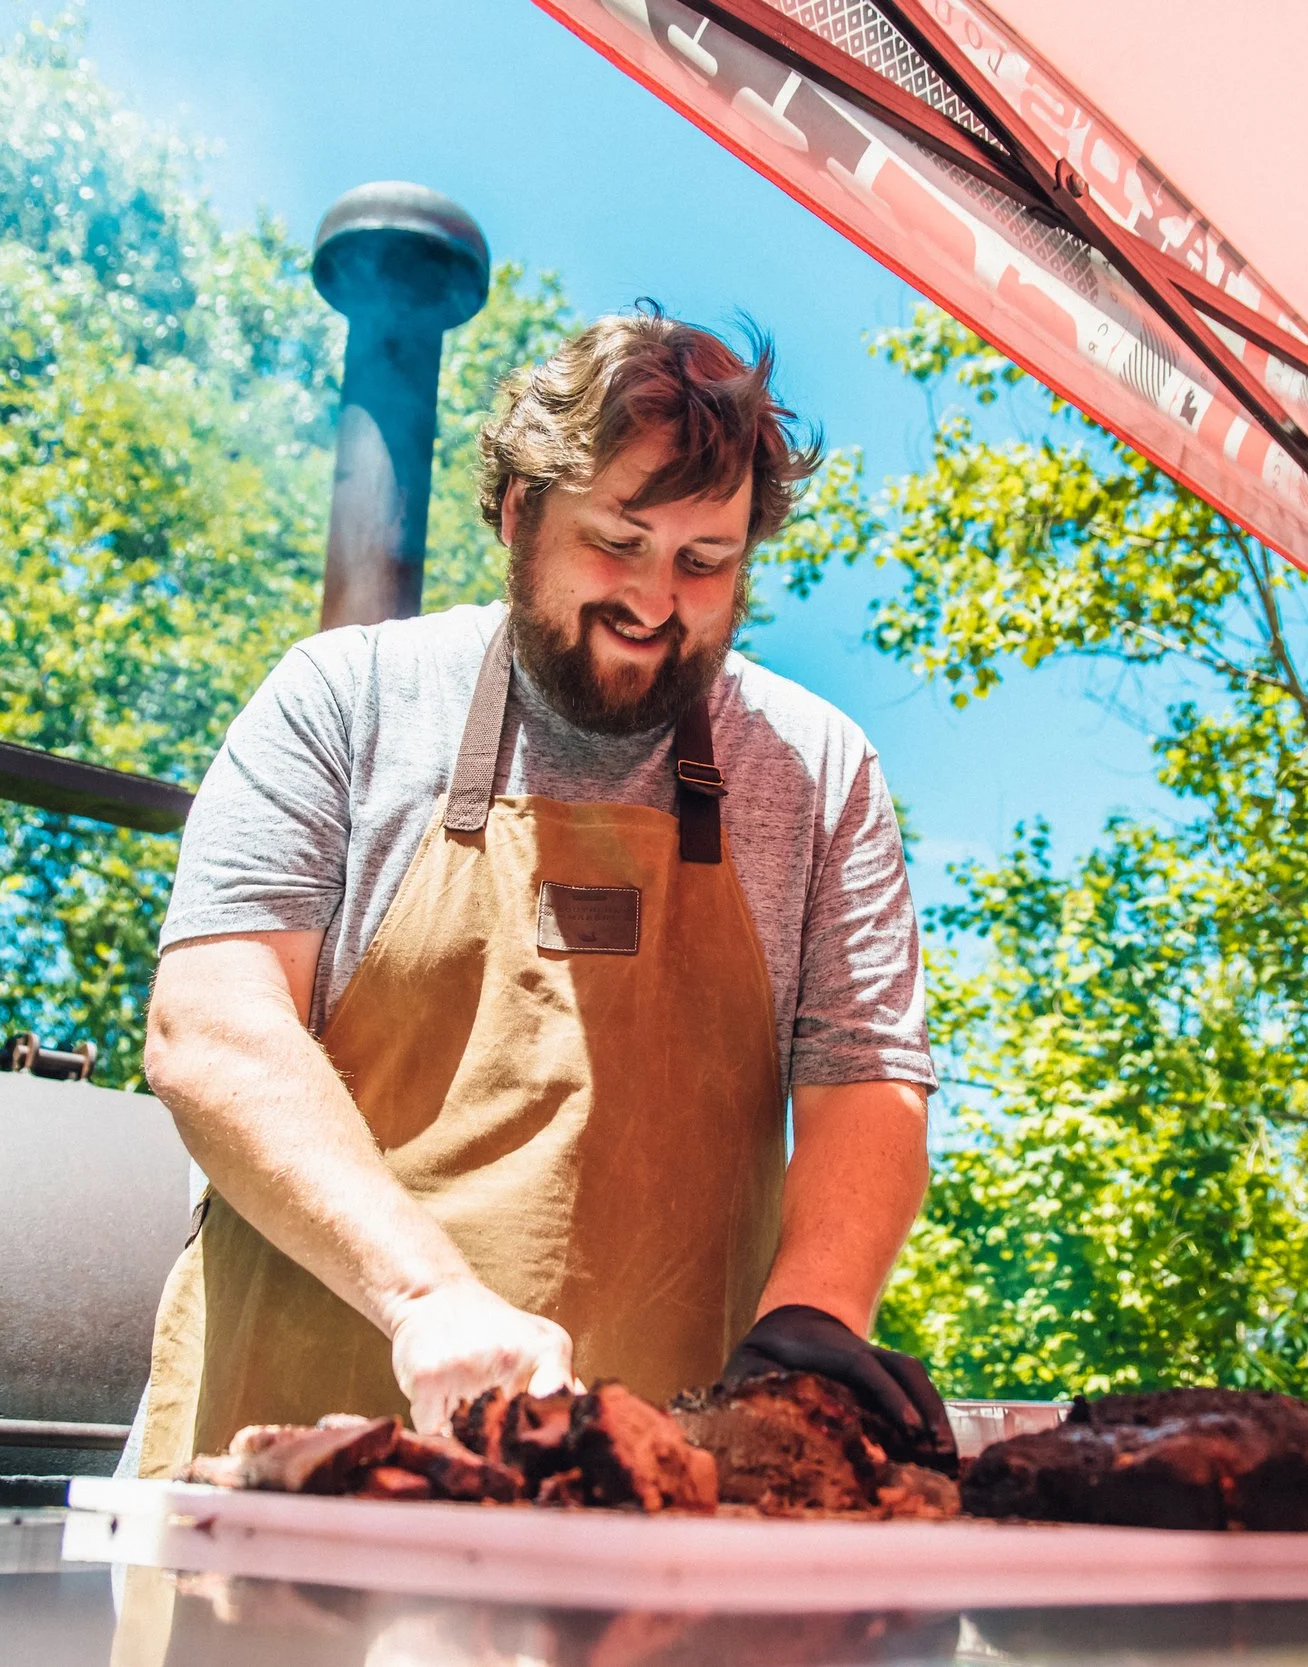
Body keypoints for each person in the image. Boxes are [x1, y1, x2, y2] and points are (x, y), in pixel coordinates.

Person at [132, 309, 947, 1475]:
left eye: (703, 563)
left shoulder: (817, 772)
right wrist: (426, 1297)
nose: (655, 601)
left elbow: (868, 1081)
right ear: (520, 513)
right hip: (286, 1488)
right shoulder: (343, 699)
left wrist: (816, 1315)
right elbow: (209, 1027)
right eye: (616, 541)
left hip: (647, 1525)